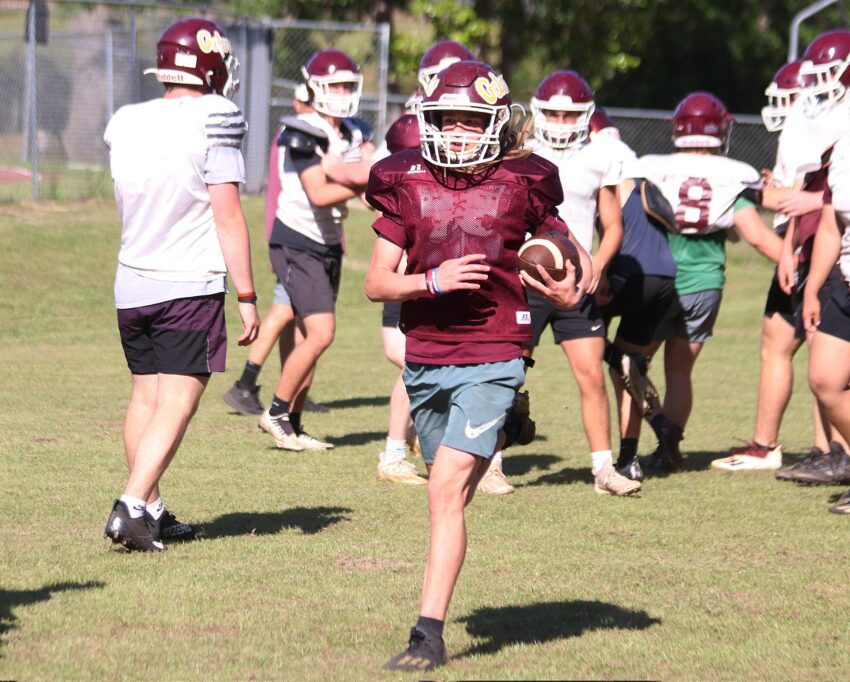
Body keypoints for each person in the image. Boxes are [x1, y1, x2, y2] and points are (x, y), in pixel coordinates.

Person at [364, 59, 589, 672]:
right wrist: (431, 281)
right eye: (447, 120)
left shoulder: (524, 179)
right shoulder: (405, 178)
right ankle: (506, 423)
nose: (457, 132)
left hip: (496, 348)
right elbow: (376, 283)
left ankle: (427, 634)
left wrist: (572, 289)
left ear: (496, 123)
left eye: (470, 120)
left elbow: (570, 249)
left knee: (443, 492)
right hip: (427, 354)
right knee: (447, 491)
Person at [102, 18, 259, 552]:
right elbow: (227, 215)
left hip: (132, 278)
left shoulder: (127, 119)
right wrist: (247, 296)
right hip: (186, 281)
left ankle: (150, 509)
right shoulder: (216, 116)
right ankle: (131, 506)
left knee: (146, 397)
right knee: (177, 402)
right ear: (211, 66)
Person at [639, 92, 783, 473]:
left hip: (658, 280)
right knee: (679, 372)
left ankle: (645, 440)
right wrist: (802, 264)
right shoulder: (734, 173)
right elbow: (757, 236)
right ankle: (669, 449)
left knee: (631, 365)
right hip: (705, 284)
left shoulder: (650, 167)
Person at [518, 70, 640, 496]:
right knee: (509, 374)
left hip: (577, 283)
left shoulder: (600, 155)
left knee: (591, 374)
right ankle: (492, 464)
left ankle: (603, 469)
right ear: (539, 112)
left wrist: (597, 266)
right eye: (553, 113)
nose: (560, 122)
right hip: (527, 279)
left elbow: (613, 225)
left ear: (586, 115)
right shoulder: (522, 154)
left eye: (569, 115)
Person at [258, 49, 374, 451]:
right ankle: (275, 412)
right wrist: (365, 178)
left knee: (310, 337)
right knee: (322, 333)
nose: (341, 93)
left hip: (328, 241)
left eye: (347, 85)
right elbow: (320, 193)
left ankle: (293, 424)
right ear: (315, 87)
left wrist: (357, 176)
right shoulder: (302, 129)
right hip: (297, 239)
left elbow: (370, 183)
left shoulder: (353, 131)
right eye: (334, 85)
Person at [222, 84, 327, 418]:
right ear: (296, 102)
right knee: (283, 310)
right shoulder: (297, 135)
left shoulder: (306, 133)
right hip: (295, 239)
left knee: (292, 314)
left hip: (292, 238)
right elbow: (282, 194)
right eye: (307, 102)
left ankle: (291, 386)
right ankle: (245, 384)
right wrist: (275, 241)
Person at [587, 108, 679, 482]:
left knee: (581, 337)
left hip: (628, 274)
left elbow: (612, 231)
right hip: (664, 276)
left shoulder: (599, 166)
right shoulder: (637, 168)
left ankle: (622, 363)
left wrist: (603, 272)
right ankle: (632, 458)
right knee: (628, 367)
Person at [803, 140, 850, 512]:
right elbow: (833, 226)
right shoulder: (844, 149)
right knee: (824, 379)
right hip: (847, 283)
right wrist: (813, 288)